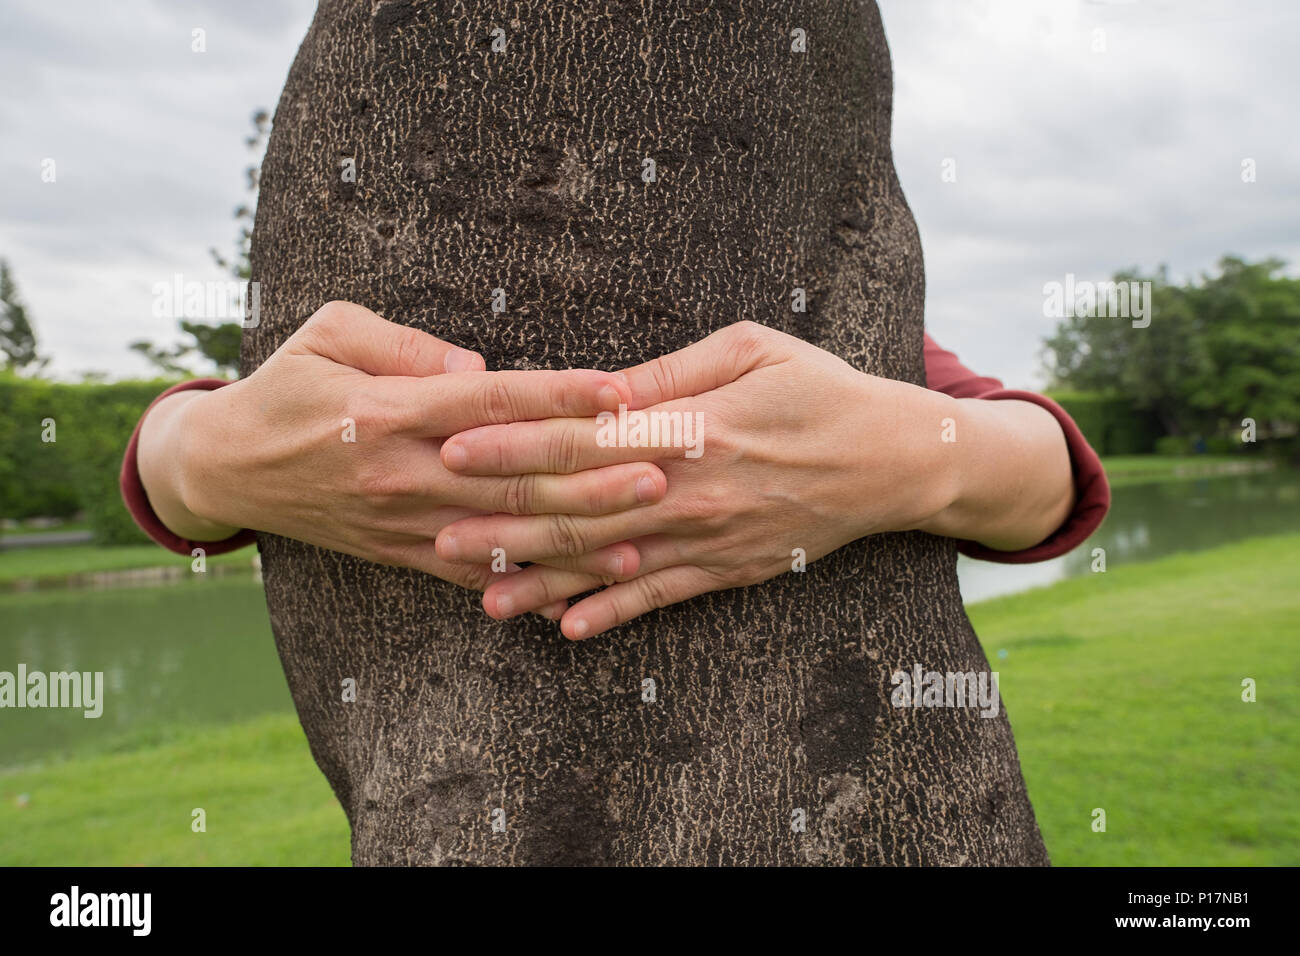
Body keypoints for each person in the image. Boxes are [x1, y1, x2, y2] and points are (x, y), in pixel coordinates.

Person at [121, 1, 1109, 865]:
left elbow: (1050, 474)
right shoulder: (374, 276)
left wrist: (897, 461)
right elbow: (192, 450)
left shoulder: (807, 321)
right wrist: (199, 452)